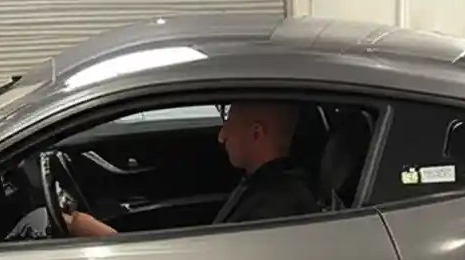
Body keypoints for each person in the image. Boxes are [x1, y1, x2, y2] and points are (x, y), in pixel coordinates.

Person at [49, 100, 317, 239]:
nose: (221, 136)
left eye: (229, 124)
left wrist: (102, 236)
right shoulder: (266, 184)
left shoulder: (274, 210)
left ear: (257, 133)